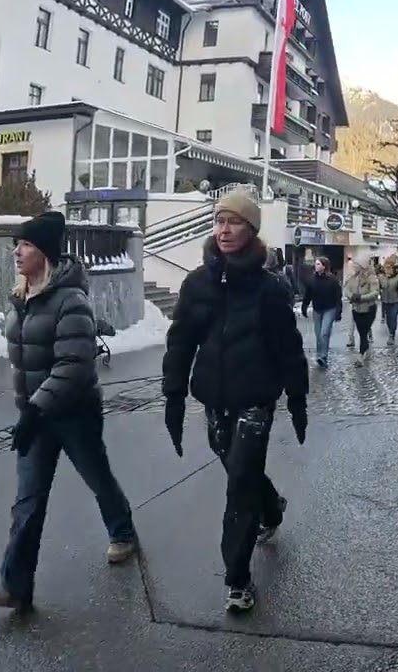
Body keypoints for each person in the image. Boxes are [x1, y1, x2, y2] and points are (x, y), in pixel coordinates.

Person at [0, 211, 139, 613]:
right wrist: (29, 405)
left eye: (27, 245)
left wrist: (36, 407)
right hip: (35, 413)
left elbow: (74, 365)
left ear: (46, 254)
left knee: (97, 477)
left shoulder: (71, 299)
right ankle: (16, 586)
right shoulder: (22, 296)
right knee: (27, 502)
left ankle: (122, 530)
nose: (17, 252)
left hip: (74, 414)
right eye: (17, 244)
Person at [161, 191, 308, 614]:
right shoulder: (197, 283)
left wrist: (297, 398)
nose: (224, 230)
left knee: (240, 481)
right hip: (214, 398)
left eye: (234, 222)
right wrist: (173, 395)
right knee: (238, 467)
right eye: (219, 221)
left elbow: (289, 349)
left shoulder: (269, 290)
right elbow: (180, 342)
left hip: (255, 402)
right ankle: (271, 508)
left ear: (251, 230)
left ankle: (237, 578)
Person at [301, 257, 341, 368]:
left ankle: (323, 356)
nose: (316, 266)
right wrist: (304, 306)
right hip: (317, 309)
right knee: (319, 335)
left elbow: (338, 296)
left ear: (324, 266)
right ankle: (320, 356)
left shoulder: (333, 280)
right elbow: (308, 294)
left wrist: (338, 311)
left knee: (324, 332)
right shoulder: (312, 279)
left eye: (318, 264)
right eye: (316, 264)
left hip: (330, 308)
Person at [343, 252, 380, 366]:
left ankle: (360, 355)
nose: (354, 266)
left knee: (364, 331)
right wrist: (352, 296)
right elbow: (346, 289)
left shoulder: (371, 277)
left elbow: (375, 292)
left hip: (369, 308)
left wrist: (361, 298)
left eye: (356, 264)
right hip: (356, 308)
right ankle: (364, 348)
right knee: (361, 331)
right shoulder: (352, 277)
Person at [379, 255, 398, 344]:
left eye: (389, 268)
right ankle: (390, 330)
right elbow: (377, 286)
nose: (387, 270)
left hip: (396, 300)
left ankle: (391, 335)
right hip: (385, 300)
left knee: (393, 316)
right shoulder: (381, 277)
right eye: (386, 268)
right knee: (388, 318)